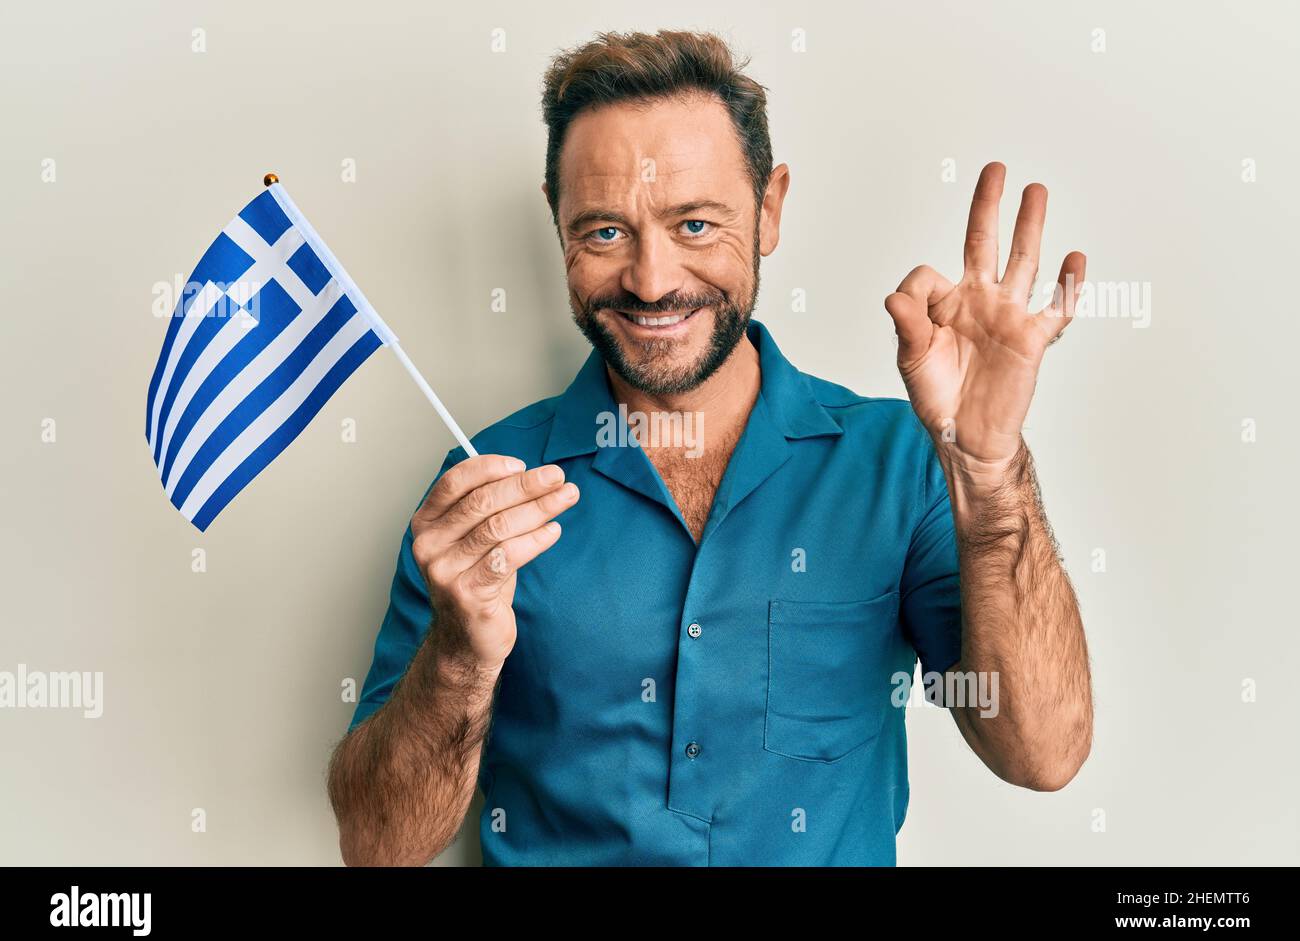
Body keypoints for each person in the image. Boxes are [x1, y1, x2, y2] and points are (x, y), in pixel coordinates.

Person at [327, 29, 1093, 866]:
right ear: (557, 219)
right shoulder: (487, 488)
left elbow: (1043, 753)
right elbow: (379, 845)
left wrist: (989, 472)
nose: (652, 281)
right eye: (605, 233)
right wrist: (458, 660)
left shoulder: (898, 462)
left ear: (769, 209)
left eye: (694, 223)